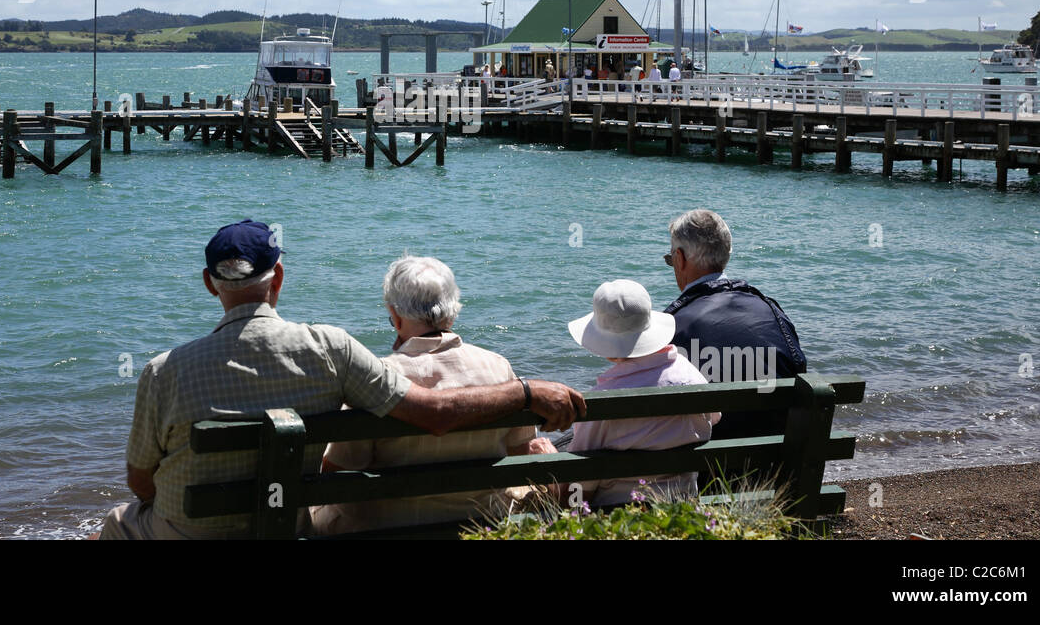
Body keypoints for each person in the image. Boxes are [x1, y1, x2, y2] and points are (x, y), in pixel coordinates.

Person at [100, 220, 584, 539]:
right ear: (279, 277)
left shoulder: (163, 370)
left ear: (210, 283)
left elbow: (141, 481)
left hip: (191, 531)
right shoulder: (331, 348)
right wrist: (526, 389)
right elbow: (433, 412)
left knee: (116, 523)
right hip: (288, 523)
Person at [311, 256, 555, 534]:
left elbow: (336, 475)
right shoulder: (498, 367)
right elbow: (518, 456)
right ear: (453, 311)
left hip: (385, 528)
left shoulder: (379, 379)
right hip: (480, 523)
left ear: (395, 315)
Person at [567, 280, 719, 506]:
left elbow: (580, 486)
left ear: (605, 343)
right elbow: (714, 417)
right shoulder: (689, 376)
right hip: (683, 506)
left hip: (615, 514)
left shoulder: (604, 399)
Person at [660, 209, 808, 440]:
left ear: (680, 258)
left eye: (670, 260)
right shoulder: (774, 314)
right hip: (778, 468)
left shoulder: (669, 327)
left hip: (706, 472)